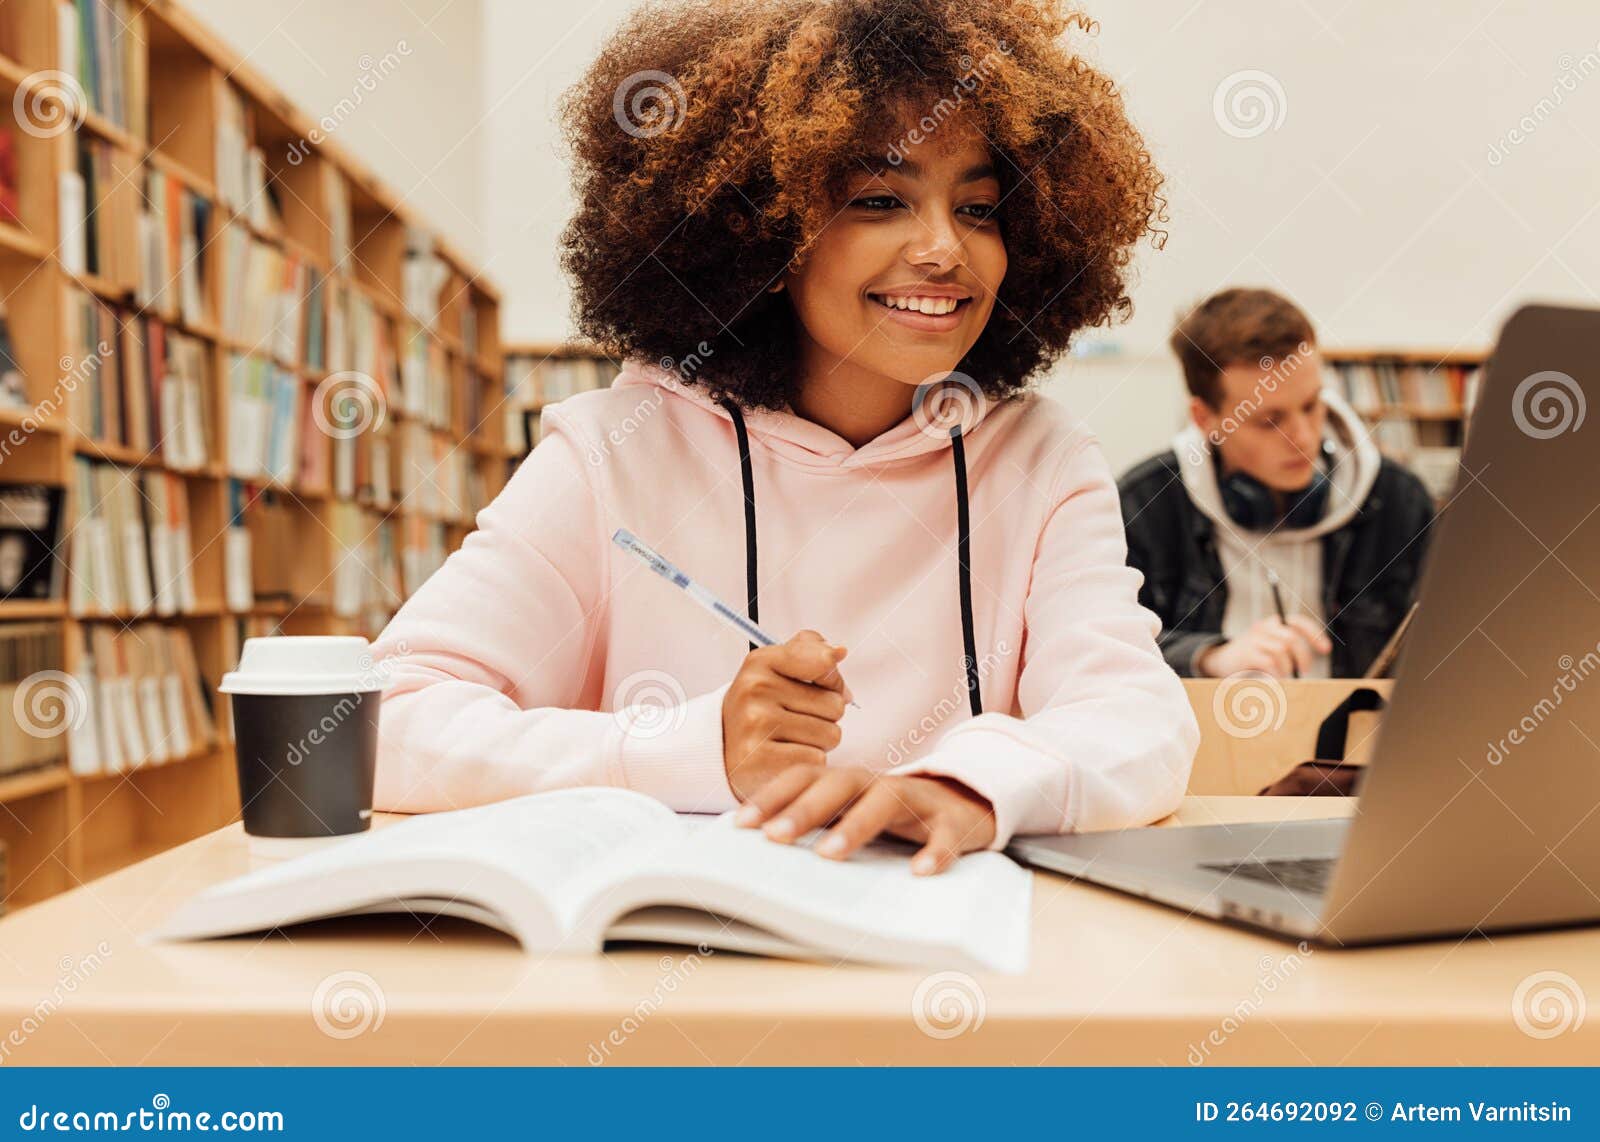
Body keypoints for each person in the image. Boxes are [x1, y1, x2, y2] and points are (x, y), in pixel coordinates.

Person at [368, 0, 1198, 875]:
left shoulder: (1042, 457)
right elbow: (385, 718)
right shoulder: (616, 449)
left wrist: (968, 787)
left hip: (947, 956)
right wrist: (692, 749)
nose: (945, 248)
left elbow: (1137, 718)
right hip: (684, 967)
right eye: (881, 199)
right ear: (760, 229)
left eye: (980, 208)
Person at [1119, 288, 1435, 679]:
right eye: (1269, 421)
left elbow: (1441, 652)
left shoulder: (1398, 500)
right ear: (1205, 420)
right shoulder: (1144, 505)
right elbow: (1108, 650)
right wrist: (1207, 658)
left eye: (1311, 405)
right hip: (1207, 737)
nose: (1303, 437)